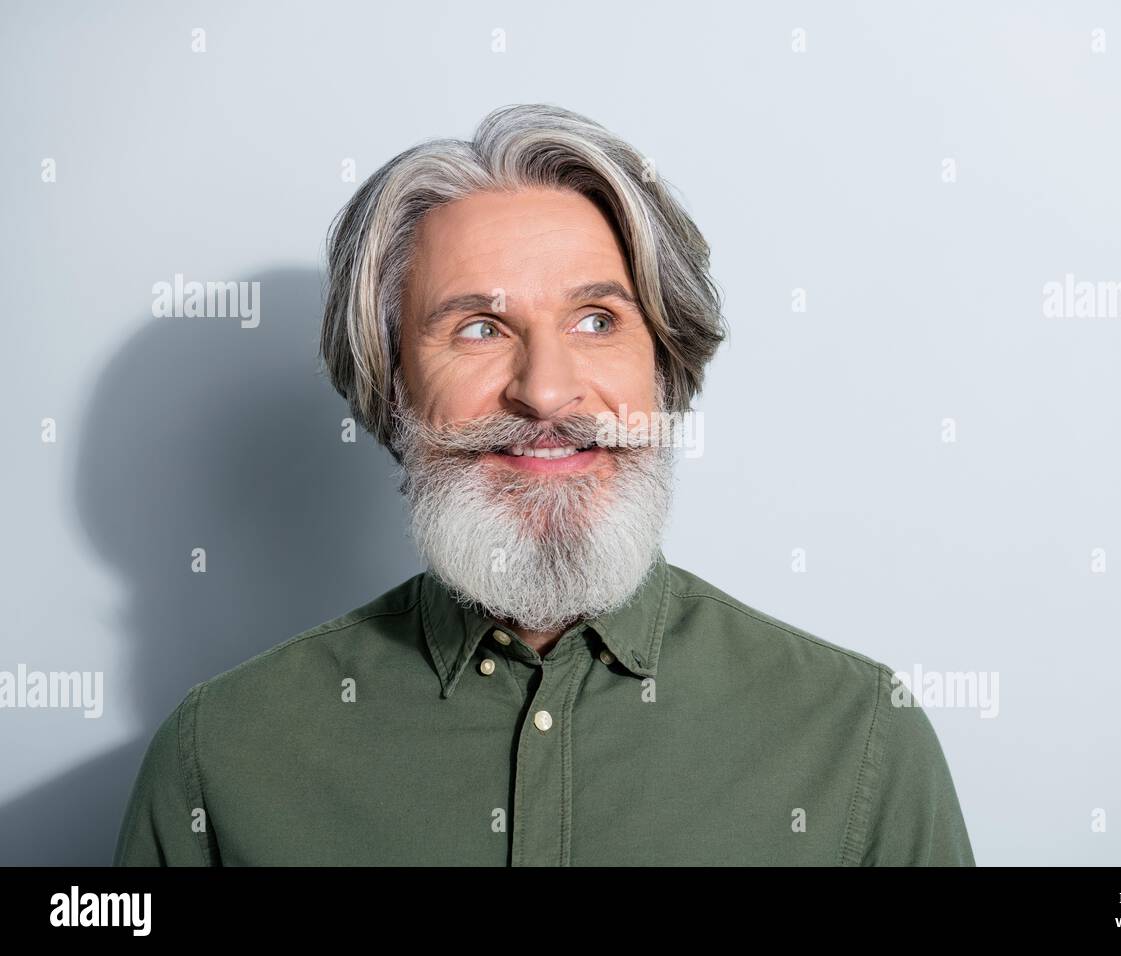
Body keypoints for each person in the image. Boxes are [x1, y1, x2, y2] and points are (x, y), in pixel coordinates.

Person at [113, 104, 975, 866]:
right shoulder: (219, 758)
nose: (547, 390)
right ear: (393, 386)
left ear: (664, 367)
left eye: (597, 320)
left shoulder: (858, 736)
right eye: (480, 328)